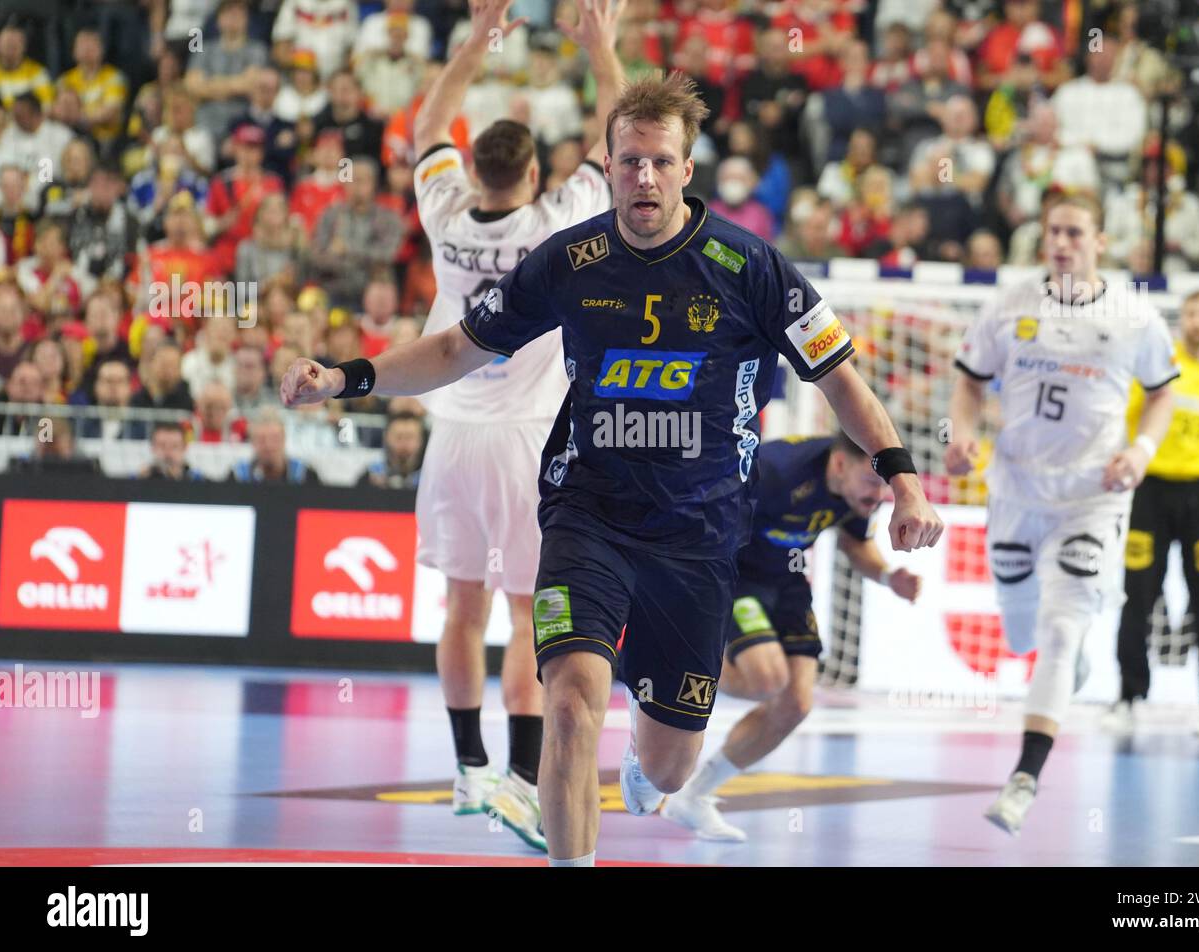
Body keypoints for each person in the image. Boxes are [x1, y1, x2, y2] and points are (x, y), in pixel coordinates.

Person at [282, 55, 943, 866]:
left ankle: (645, 757)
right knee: (568, 702)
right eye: (629, 159)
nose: (645, 176)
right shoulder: (568, 261)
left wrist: (903, 479)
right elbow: (458, 346)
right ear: (606, 166)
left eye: (661, 160)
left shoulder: (752, 268)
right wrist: (345, 378)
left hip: (698, 533)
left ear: (687, 168)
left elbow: (840, 378)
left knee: (670, 763)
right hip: (585, 512)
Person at [401, 0, 624, 853]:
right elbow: (616, 142)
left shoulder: (445, 218)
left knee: (461, 609)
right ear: (532, 177)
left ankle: (467, 769)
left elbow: (427, 123)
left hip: (452, 429)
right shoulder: (555, 226)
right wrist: (600, 44)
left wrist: (477, 37)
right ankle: (524, 787)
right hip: (529, 435)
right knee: (534, 617)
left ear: (477, 173)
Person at [945, 192, 1178, 837]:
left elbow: (1163, 393)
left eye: (1076, 232)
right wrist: (960, 433)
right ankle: (1067, 668)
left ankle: (1024, 778)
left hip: (1092, 495)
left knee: (1061, 625)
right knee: (1021, 634)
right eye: (1054, 232)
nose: (1063, 243)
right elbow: (968, 380)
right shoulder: (1010, 306)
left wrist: (1140, 449)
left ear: (1101, 242)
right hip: (1015, 491)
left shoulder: (1135, 316)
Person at [662, 434, 922, 840]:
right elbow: (703, 521)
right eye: (874, 484)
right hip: (735, 576)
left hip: (787, 583)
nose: (880, 495)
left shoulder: (858, 492)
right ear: (839, 465)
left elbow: (856, 545)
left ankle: (693, 797)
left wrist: (890, 577)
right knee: (765, 679)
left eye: (885, 487)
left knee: (795, 703)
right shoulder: (777, 471)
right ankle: (666, 678)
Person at [1104, 291, 1199, 743]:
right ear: (1181, 318)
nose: (1198, 322)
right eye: (1191, 313)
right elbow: (1125, 424)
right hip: (1151, 492)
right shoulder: (1158, 369)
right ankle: (1127, 698)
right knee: (1137, 596)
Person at [358, 411, 425, 488]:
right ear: (386, 438)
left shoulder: (430, 479)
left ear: (421, 440)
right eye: (398, 437)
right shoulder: (370, 478)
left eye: (409, 437)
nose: (404, 444)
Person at [137, 420, 206, 480]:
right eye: (162, 446)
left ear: (185, 447)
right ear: (153, 447)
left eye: (174, 446)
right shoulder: (137, 480)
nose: (168, 452)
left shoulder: (199, 481)